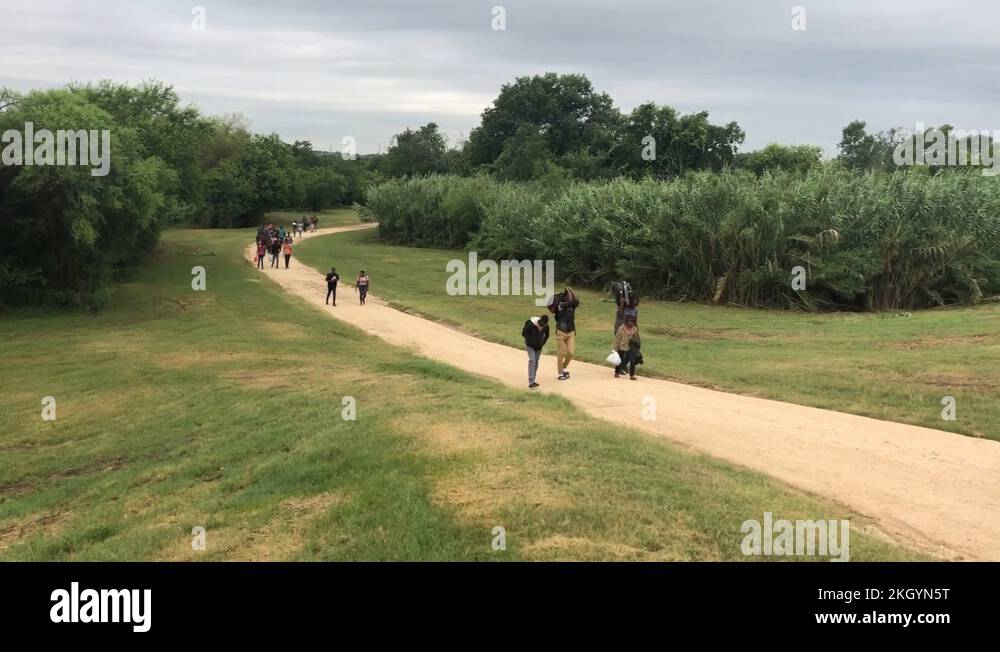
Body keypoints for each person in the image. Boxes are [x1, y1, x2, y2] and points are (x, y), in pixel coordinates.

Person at [553, 288, 579, 380]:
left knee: (571, 353)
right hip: (560, 331)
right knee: (561, 351)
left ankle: (563, 368)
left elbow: (576, 301)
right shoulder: (560, 305)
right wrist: (569, 294)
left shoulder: (572, 306)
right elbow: (569, 303)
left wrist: (571, 291)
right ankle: (560, 373)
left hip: (571, 332)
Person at [521, 315, 550, 388]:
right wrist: (530, 339)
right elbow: (524, 333)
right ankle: (531, 381)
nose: (542, 326)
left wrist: (542, 343)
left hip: (538, 347)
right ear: (540, 321)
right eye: (541, 324)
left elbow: (547, 335)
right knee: (532, 361)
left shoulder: (546, 327)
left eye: (544, 325)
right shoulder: (531, 324)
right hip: (530, 346)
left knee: (536, 362)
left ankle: (533, 380)